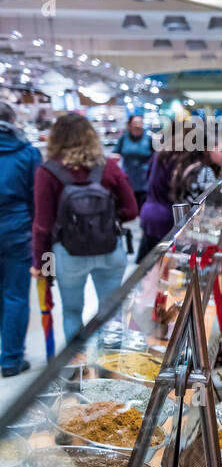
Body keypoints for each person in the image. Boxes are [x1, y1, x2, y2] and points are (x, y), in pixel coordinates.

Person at [33, 112, 138, 345]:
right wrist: (106, 219)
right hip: (110, 249)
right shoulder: (109, 167)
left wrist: (41, 265)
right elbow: (131, 210)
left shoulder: (47, 172)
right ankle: (110, 371)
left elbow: (43, 225)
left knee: (71, 312)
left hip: (68, 254)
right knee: (111, 313)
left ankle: (76, 373)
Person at [137, 133, 222, 259]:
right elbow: (207, 208)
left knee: (154, 263)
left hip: (152, 212)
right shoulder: (189, 165)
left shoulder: (163, 156)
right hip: (167, 218)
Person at [0, 102, 41, 377]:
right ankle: (11, 360)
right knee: (15, 296)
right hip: (17, 231)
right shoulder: (28, 153)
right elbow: (37, 199)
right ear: (14, 120)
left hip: (15, 227)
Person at [114, 115, 153, 208]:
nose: (137, 125)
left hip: (145, 179)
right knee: (130, 207)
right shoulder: (123, 138)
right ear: (130, 125)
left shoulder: (149, 138)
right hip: (128, 178)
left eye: (139, 123)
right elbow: (115, 152)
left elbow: (156, 156)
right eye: (135, 123)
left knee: (144, 207)